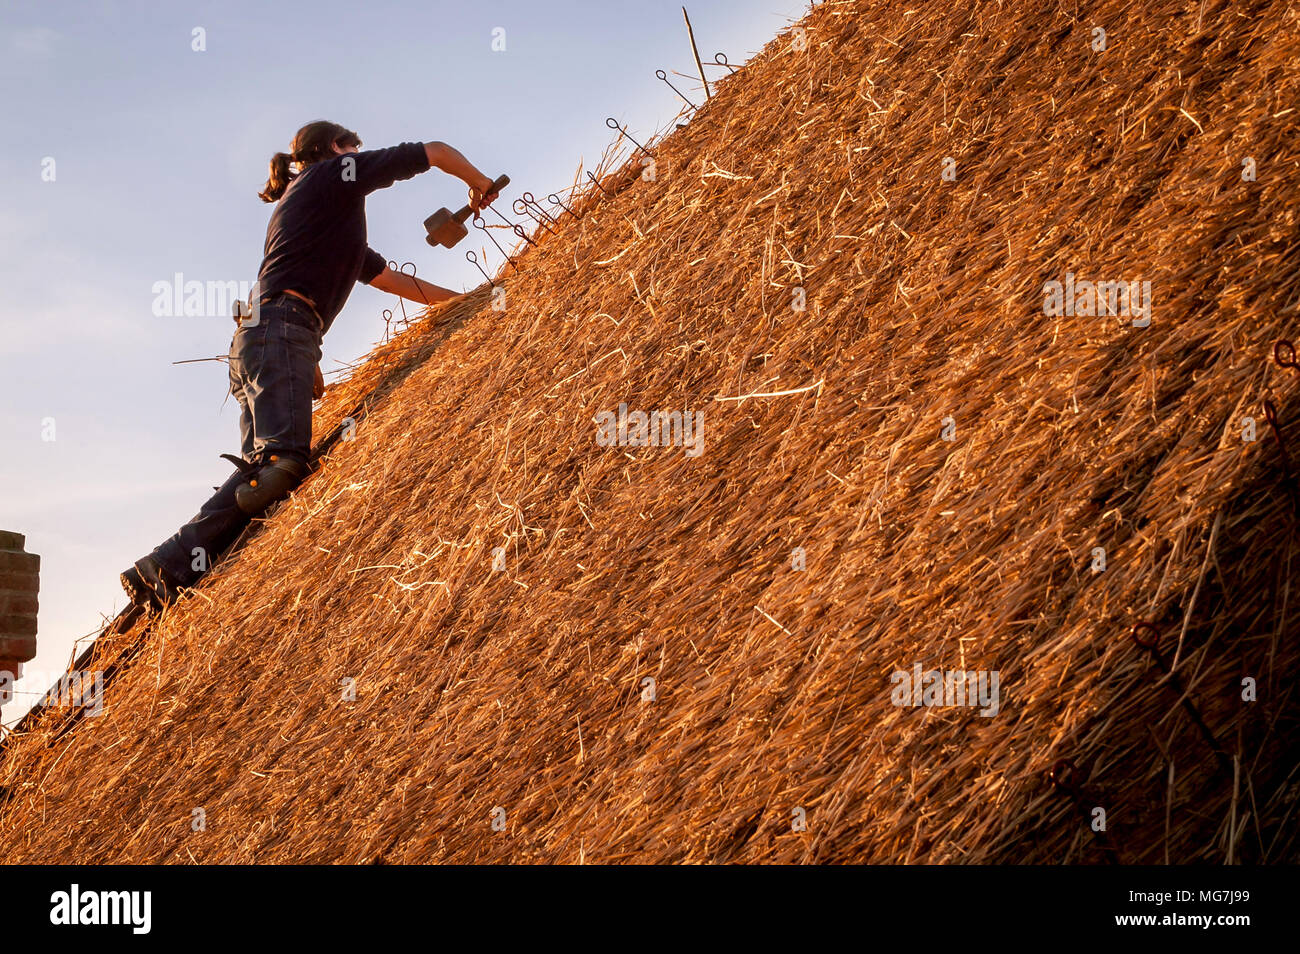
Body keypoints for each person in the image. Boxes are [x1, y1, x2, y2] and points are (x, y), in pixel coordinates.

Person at [121, 120, 499, 610]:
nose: (359, 154)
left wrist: (472, 300)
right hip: (280, 329)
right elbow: (433, 151)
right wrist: (479, 183)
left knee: (264, 474)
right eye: (353, 147)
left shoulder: (325, 222)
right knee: (280, 467)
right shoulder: (326, 178)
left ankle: (175, 571)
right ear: (331, 151)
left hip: (265, 336)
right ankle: (165, 561)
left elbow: (393, 282)